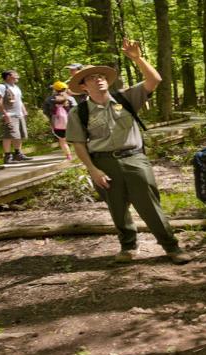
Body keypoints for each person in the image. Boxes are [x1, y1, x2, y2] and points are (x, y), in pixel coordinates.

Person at [64, 40, 190, 265]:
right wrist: (92, 170)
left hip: (134, 159)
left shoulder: (125, 98)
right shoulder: (79, 112)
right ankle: (128, 247)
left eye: (101, 76)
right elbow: (79, 144)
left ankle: (172, 247)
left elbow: (155, 80)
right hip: (103, 164)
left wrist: (136, 58)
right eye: (92, 78)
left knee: (150, 205)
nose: (98, 79)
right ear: (84, 87)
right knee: (117, 208)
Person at [0, 70, 30, 164]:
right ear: (8, 76)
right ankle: (7, 156)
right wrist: (4, 113)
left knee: (19, 135)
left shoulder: (16, 87)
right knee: (9, 135)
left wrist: (24, 110)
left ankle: (18, 154)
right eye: (15, 74)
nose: (17, 76)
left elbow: (19, 100)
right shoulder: (1, 87)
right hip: (9, 115)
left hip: (19, 114)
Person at [42, 81, 76, 161]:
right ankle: (79, 154)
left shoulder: (49, 99)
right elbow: (76, 110)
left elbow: (45, 111)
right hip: (70, 123)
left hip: (57, 125)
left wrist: (51, 119)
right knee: (75, 139)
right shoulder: (70, 98)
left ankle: (68, 155)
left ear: (55, 89)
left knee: (62, 140)